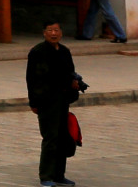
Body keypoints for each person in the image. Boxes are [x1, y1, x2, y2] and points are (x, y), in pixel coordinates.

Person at [26, 20, 87, 187]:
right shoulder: (38, 52)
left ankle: (59, 175)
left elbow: (70, 72)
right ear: (44, 33)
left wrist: (74, 83)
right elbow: (32, 79)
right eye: (50, 30)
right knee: (50, 138)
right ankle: (46, 176)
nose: (54, 33)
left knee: (62, 137)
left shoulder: (65, 51)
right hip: (46, 101)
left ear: (61, 32)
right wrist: (33, 102)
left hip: (62, 101)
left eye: (57, 30)